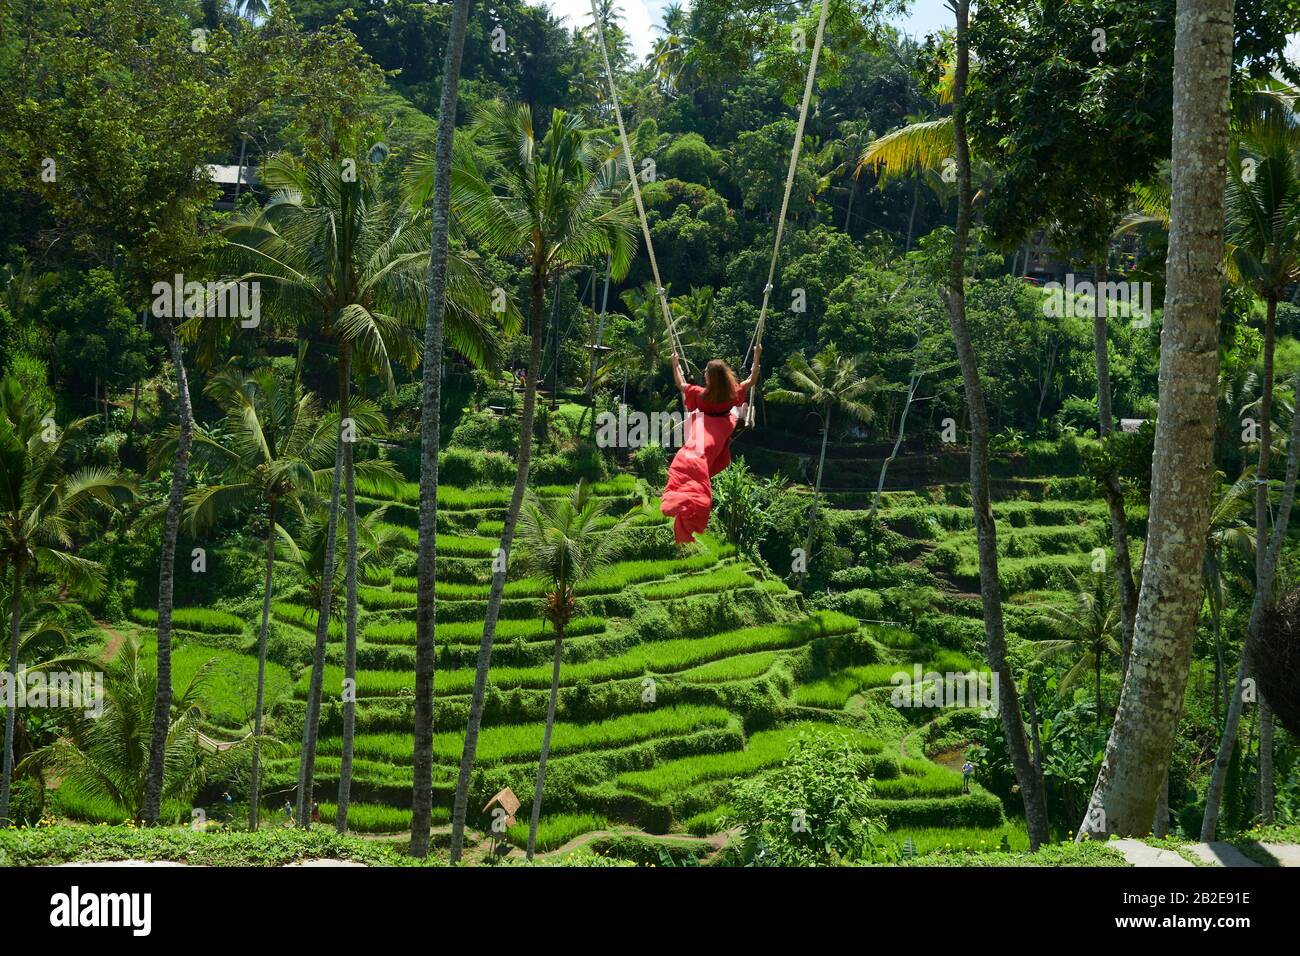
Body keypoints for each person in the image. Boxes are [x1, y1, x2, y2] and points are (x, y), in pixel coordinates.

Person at [659, 347, 761, 545]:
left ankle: (686, 497)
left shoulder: (699, 394)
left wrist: (675, 364)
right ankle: (686, 498)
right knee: (696, 455)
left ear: (710, 378)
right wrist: (757, 356)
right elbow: (752, 380)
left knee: (689, 455)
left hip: (704, 424)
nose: (704, 374)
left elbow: (680, 384)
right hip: (722, 426)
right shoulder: (733, 392)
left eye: (706, 372)